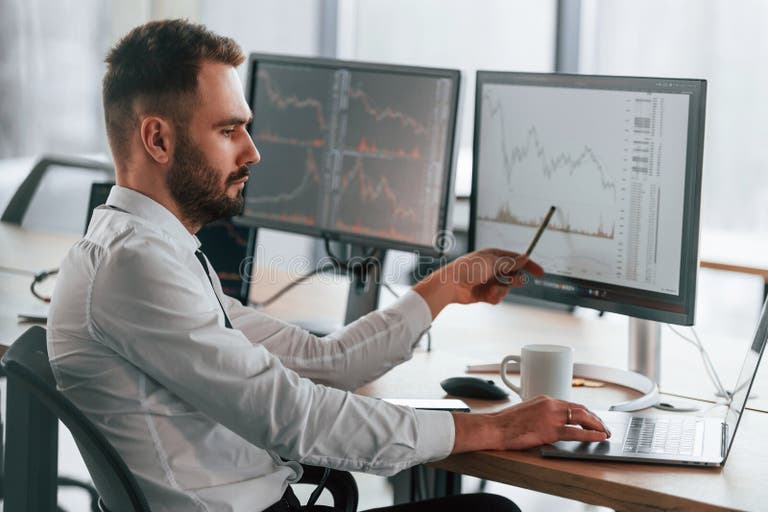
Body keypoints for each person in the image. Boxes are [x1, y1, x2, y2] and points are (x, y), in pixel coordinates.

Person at [47, 19, 609, 512]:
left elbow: (325, 362)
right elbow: (295, 417)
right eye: (228, 130)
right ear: (157, 139)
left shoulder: (155, 252)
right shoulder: (134, 268)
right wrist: (494, 427)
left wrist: (446, 285)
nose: (252, 151)